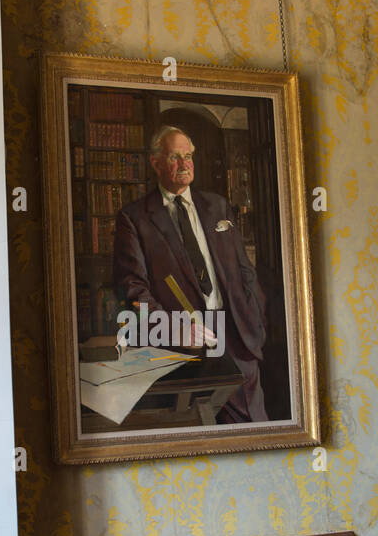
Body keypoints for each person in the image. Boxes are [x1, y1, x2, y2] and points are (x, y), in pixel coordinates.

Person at [112, 125, 268, 423]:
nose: (184, 164)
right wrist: (171, 327)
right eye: (174, 157)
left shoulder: (217, 206)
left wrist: (254, 320)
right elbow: (132, 289)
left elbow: (244, 270)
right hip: (184, 345)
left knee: (255, 428)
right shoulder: (134, 218)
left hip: (237, 336)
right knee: (201, 430)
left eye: (188, 156)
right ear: (155, 163)